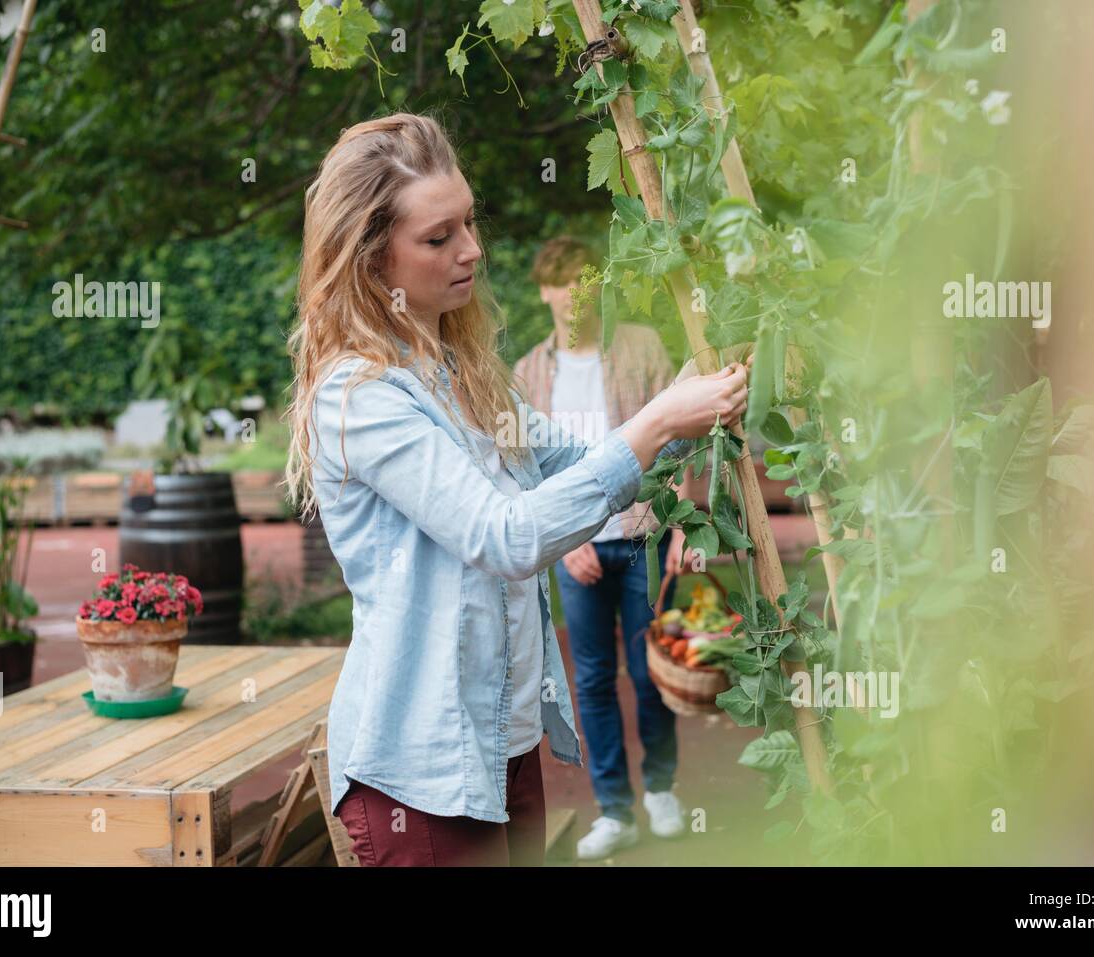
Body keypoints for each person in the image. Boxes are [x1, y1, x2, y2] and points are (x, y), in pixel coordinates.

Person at [283, 112, 748, 866]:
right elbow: (504, 536)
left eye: (468, 222)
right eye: (438, 238)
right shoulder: (360, 396)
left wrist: (691, 391)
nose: (472, 249)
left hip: (501, 738)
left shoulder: (460, 371)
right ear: (371, 261)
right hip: (421, 768)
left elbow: (582, 460)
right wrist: (660, 422)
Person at [512, 237, 696, 860]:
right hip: (579, 550)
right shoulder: (528, 373)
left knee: (650, 671)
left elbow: (682, 433)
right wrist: (563, 547)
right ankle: (614, 808)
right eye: (560, 282)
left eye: (584, 281)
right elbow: (525, 470)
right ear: (544, 290)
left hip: (645, 534)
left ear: (599, 287)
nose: (572, 295)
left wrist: (681, 526)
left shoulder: (640, 347)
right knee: (590, 679)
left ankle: (662, 791)